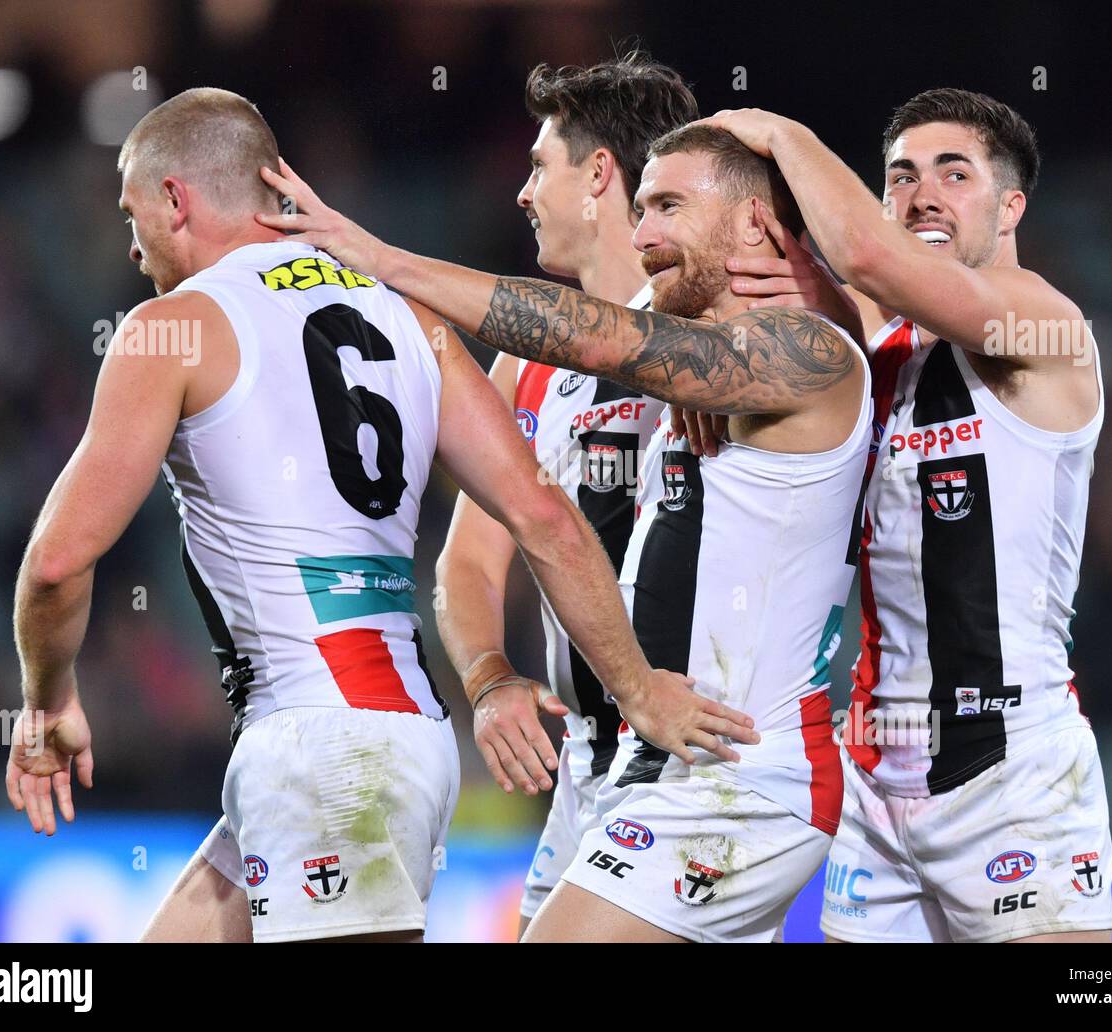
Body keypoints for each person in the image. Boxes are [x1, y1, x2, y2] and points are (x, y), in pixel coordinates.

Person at [4, 87, 753, 944]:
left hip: (319, 754)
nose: (133, 251)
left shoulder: (169, 329)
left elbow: (58, 563)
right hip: (398, 740)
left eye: (133, 217)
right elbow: (542, 514)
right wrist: (634, 684)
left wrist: (46, 699)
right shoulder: (409, 317)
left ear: (176, 200)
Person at [253, 121, 871, 943]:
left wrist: (384, 260)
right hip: (635, 765)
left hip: (739, 774)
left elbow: (602, 334)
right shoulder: (702, 370)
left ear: (754, 223)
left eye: (669, 208)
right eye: (641, 209)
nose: (643, 236)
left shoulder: (809, 351)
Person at [703, 90, 1112, 942]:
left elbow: (869, 258)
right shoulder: (864, 350)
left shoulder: (1044, 324)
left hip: (1013, 770)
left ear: (1011, 207)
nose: (922, 194)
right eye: (901, 177)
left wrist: (784, 130)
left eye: (953, 174)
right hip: (874, 780)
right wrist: (711, 389)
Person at [434, 52, 699, 938]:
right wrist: (489, 679)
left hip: (695, 763)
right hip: (586, 769)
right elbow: (468, 561)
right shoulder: (527, 369)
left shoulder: (717, 339)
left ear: (598, 177)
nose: (521, 192)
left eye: (538, 166)